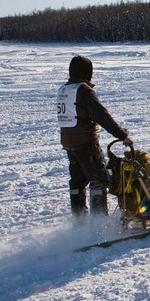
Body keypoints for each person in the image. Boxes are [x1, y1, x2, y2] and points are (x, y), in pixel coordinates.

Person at [57, 55, 133, 217]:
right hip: (86, 143)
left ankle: (79, 222)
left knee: (77, 182)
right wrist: (122, 135)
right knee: (99, 180)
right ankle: (99, 224)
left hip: (69, 142)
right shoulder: (84, 91)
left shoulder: (64, 89)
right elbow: (101, 116)